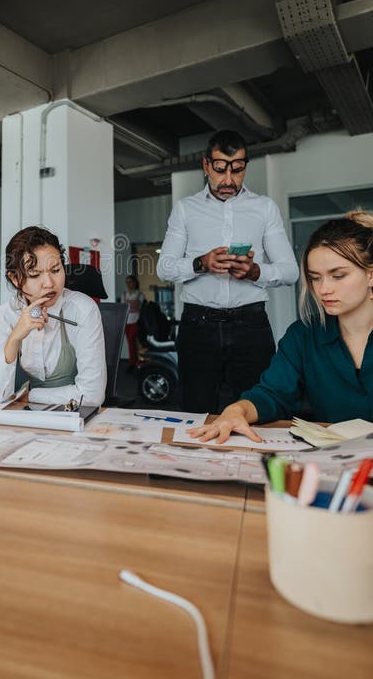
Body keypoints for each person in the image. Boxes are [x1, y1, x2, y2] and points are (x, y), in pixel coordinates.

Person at [189, 211, 373, 443]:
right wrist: (237, 411)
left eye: (338, 276)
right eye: (315, 278)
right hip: (336, 465)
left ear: (370, 276)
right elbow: (272, 394)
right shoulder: (303, 335)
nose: (324, 289)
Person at [156, 129, 298, 412]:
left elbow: (290, 271)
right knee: (196, 414)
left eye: (238, 170)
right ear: (207, 165)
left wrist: (256, 272)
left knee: (257, 409)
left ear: (245, 166)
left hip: (251, 325)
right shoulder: (185, 209)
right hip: (198, 326)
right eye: (220, 170)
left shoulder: (264, 208)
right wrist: (200, 264)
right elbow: (164, 268)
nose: (229, 180)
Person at [0, 226, 106, 407]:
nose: (49, 283)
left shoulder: (83, 310)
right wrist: (15, 336)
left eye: (56, 270)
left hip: (73, 417)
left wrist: (30, 396)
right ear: (15, 279)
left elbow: (92, 395)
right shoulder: (6, 314)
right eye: (35, 274)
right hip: (23, 421)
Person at [122, 275, 144, 371]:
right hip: (127, 322)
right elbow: (123, 308)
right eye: (127, 282)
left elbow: (142, 308)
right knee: (130, 343)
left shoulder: (140, 294)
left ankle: (137, 362)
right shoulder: (124, 294)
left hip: (136, 321)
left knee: (136, 342)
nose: (129, 284)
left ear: (134, 282)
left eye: (130, 281)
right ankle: (133, 363)